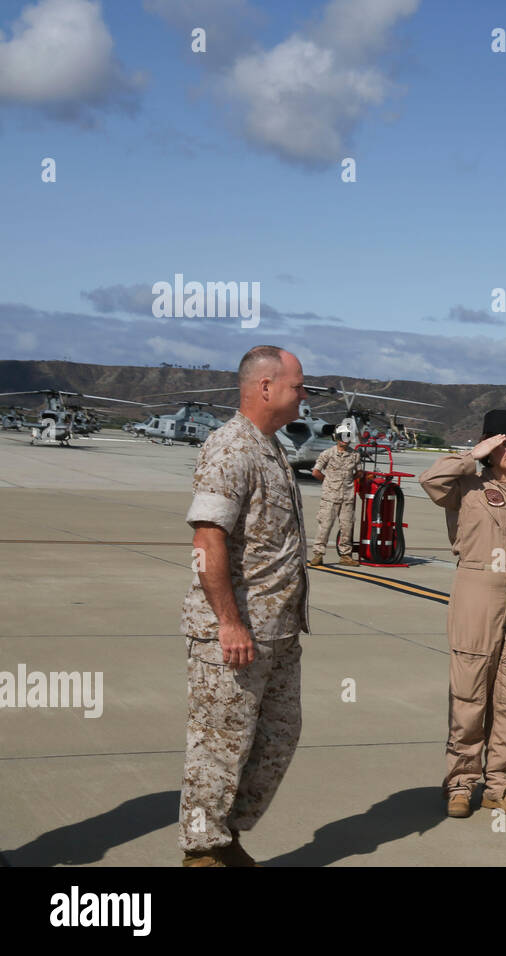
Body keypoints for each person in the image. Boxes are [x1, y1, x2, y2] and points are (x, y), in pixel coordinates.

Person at [179, 345, 311, 866]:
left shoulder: (270, 447)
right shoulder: (231, 447)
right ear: (265, 387)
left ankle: (226, 836)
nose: (304, 395)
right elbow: (206, 543)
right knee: (217, 750)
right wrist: (228, 623)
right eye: (298, 385)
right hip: (235, 637)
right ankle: (201, 851)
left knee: (276, 739)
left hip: (277, 632)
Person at [418, 410, 506, 820]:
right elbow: (430, 480)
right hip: (476, 592)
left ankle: (502, 784)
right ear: (489, 445)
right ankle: (461, 783)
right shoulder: (464, 487)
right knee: (468, 695)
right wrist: (473, 454)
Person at [310, 423, 360, 567]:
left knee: (347, 526)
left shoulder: (355, 455)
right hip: (330, 496)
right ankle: (318, 554)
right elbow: (316, 471)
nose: (345, 440)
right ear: (336, 438)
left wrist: (352, 480)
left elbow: (358, 472)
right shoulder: (327, 454)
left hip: (347, 496)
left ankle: (345, 555)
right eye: (342, 437)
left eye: (347, 437)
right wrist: (328, 482)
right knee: (325, 525)